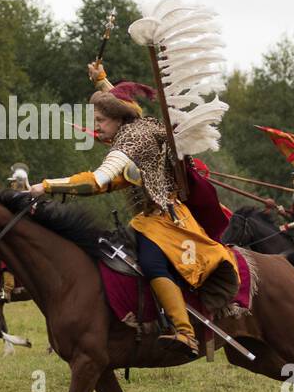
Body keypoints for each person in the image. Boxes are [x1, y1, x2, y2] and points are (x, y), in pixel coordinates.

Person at [28, 61, 238, 355]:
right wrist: (101, 79)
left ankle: (184, 332)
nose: (96, 127)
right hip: (148, 220)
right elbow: (122, 103)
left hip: (165, 220)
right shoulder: (137, 123)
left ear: (117, 120)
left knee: (151, 265)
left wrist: (46, 186)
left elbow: (96, 181)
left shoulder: (131, 142)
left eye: (100, 120)